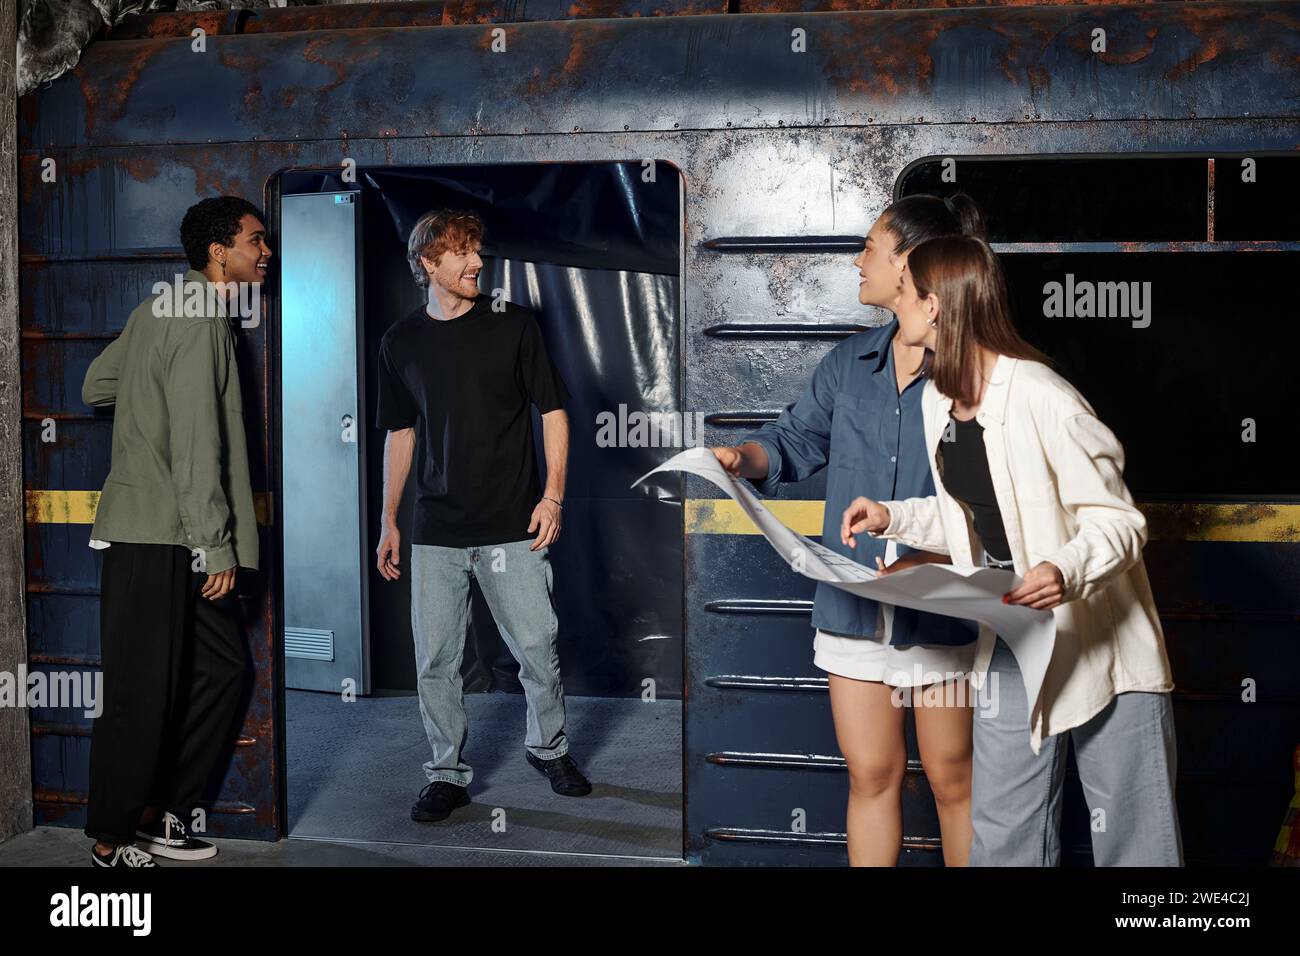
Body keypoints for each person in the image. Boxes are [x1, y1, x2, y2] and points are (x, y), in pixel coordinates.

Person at [842, 235, 1182, 866]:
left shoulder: (1044, 397)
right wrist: (894, 517)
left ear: (936, 306)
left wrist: (1064, 569)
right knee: (1004, 838)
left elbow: (1120, 522)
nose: (898, 308)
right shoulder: (939, 400)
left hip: (1100, 641)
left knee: (1135, 844)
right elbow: (974, 518)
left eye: (906, 294)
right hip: (1011, 632)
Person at [711, 194, 984, 866]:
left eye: (870, 247)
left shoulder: (974, 370)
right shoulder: (847, 365)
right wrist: (741, 458)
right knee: (870, 777)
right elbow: (795, 439)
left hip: (939, 614)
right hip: (853, 612)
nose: (858, 260)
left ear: (910, 265)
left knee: (955, 780)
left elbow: (994, 499)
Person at [374, 209, 590, 824]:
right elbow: (400, 434)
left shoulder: (514, 326)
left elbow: (552, 412)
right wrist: (389, 519)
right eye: (461, 254)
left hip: (512, 522)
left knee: (535, 645)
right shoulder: (400, 342)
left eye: (478, 251)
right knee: (435, 660)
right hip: (435, 529)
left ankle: (549, 750)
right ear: (428, 264)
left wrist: (552, 496)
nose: (476, 263)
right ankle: (446, 773)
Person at [81, 196, 268, 866]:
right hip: (160, 535)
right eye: (254, 241)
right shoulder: (197, 318)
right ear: (219, 252)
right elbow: (196, 442)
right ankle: (109, 840)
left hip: (167, 533)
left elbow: (97, 384)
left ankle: (157, 815)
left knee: (221, 669)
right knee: (140, 689)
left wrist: (144, 395)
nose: (264, 253)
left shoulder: (157, 307)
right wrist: (214, 545)